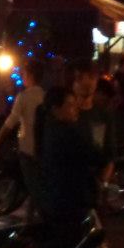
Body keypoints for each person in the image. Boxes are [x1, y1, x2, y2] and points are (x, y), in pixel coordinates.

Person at [36, 86, 111, 224]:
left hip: (55, 198)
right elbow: (97, 157)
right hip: (72, 200)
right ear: (55, 109)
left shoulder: (48, 127)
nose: (75, 109)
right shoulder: (68, 133)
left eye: (75, 105)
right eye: (70, 105)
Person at [0, 59, 47, 210]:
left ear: (30, 75)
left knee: (34, 187)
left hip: (27, 148)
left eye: (24, 74)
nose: (22, 77)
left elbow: (10, 122)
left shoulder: (24, 97)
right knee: (37, 185)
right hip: (44, 149)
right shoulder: (46, 97)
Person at [74, 62, 117, 171]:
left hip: (94, 179)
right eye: (80, 78)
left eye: (91, 77)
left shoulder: (103, 116)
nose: (86, 82)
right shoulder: (65, 115)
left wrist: (103, 181)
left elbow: (109, 153)